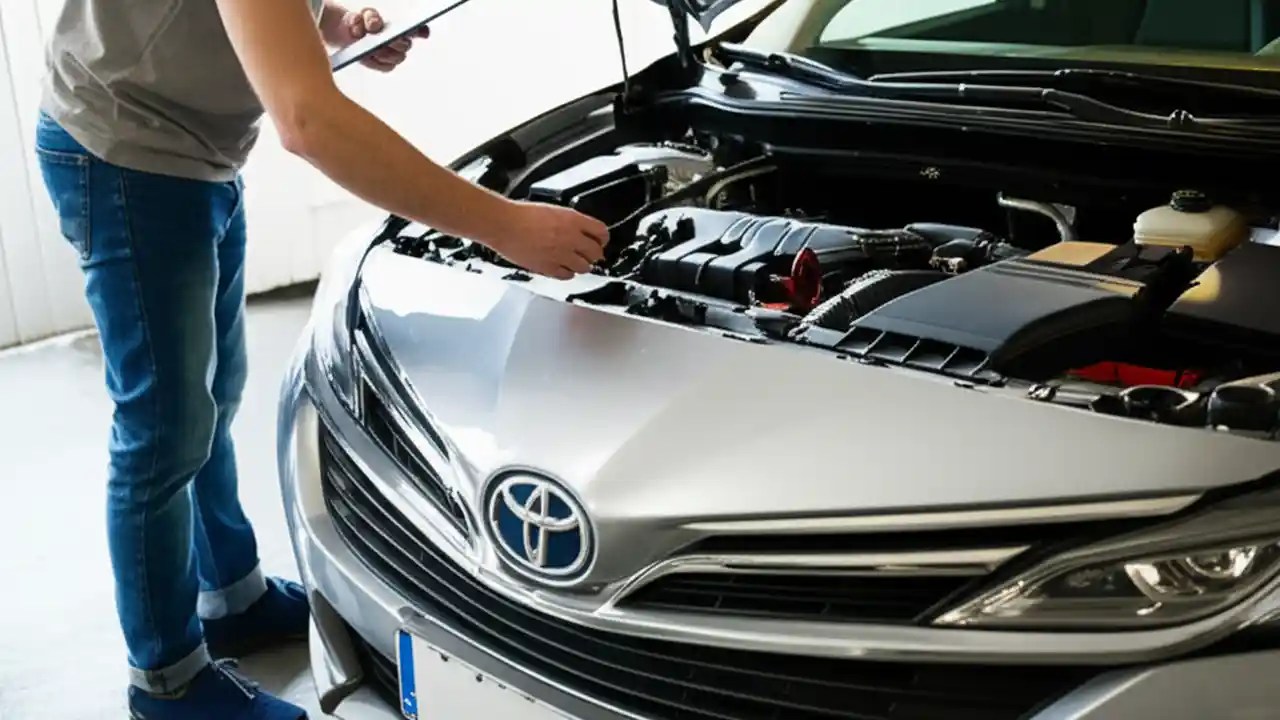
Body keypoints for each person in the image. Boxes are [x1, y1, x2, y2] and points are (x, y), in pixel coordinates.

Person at [35, 1, 609, 718]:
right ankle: (166, 683)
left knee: (210, 395)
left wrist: (327, 24)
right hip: (128, 154)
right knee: (164, 428)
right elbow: (307, 121)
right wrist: (503, 225)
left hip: (193, 149)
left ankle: (232, 597)